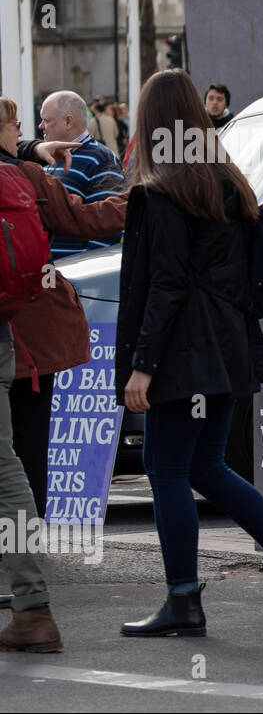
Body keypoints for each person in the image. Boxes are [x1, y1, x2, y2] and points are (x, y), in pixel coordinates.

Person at [115, 69, 263, 636]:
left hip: (186, 354)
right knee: (208, 466)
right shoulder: (226, 181)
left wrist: (143, 365)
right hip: (228, 346)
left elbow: (165, 285)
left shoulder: (163, 190)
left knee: (166, 469)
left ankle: (184, 600)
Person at [0, 98, 127, 522]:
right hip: (28, 331)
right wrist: (140, 199)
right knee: (28, 443)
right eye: (16, 125)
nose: (21, 131)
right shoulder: (26, 177)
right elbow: (84, 219)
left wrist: (30, 147)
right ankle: (23, 544)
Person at [38, 90, 125, 259]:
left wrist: (81, 278)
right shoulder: (48, 157)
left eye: (46, 120)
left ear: (68, 121)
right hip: (49, 274)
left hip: (73, 277)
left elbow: (107, 227)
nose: (40, 125)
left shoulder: (101, 158)